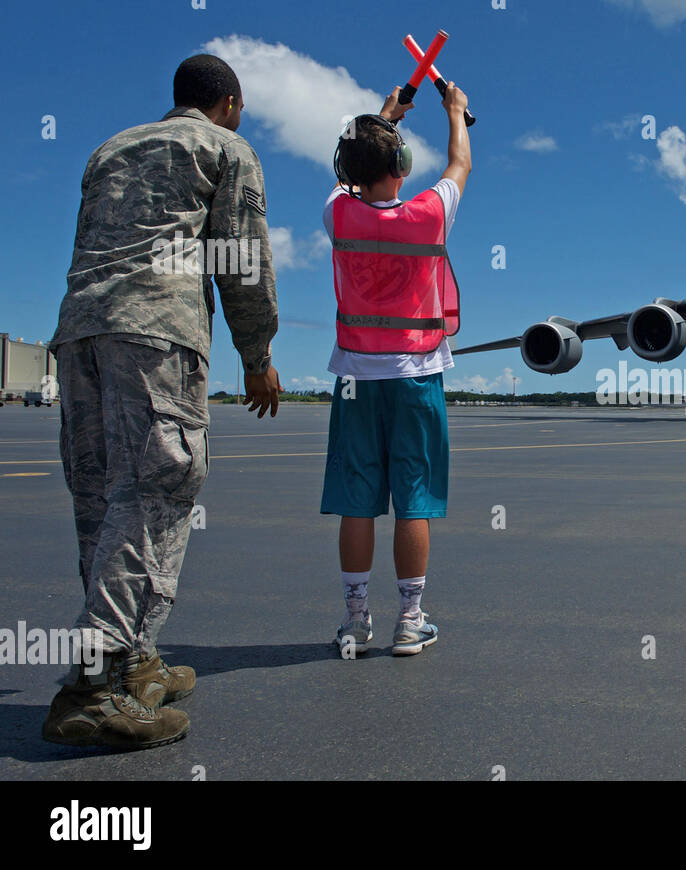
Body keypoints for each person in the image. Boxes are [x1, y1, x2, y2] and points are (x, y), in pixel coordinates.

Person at [43, 54, 280, 749]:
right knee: (155, 490)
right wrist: (257, 354)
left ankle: (136, 656)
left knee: (102, 495)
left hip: (80, 331)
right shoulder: (224, 146)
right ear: (229, 103)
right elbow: (240, 257)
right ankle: (95, 686)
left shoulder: (109, 148)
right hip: (156, 333)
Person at [322, 82, 471, 657]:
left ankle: (355, 621)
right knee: (414, 498)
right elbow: (460, 162)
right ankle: (409, 620)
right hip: (416, 374)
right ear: (402, 165)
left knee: (357, 499)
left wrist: (383, 118)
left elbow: (345, 176)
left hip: (356, 377)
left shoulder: (339, 214)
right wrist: (455, 112)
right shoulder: (429, 214)